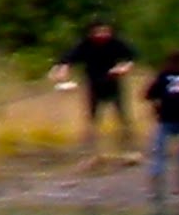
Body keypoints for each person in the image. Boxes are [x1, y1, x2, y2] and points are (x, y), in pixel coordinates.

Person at [50, 20, 136, 150]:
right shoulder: (86, 44)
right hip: (93, 82)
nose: (102, 34)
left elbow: (131, 56)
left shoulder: (115, 42)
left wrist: (124, 67)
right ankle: (90, 140)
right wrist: (62, 69)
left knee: (121, 111)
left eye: (106, 31)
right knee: (92, 113)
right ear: (92, 32)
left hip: (113, 81)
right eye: (99, 31)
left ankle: (127, 137)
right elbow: (68, 57)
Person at [143, 50, 179, 199]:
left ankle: (157, 181)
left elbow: (148, 94)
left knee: (159, 152)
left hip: (164, 118)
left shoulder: (163, 75)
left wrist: (156, 107)